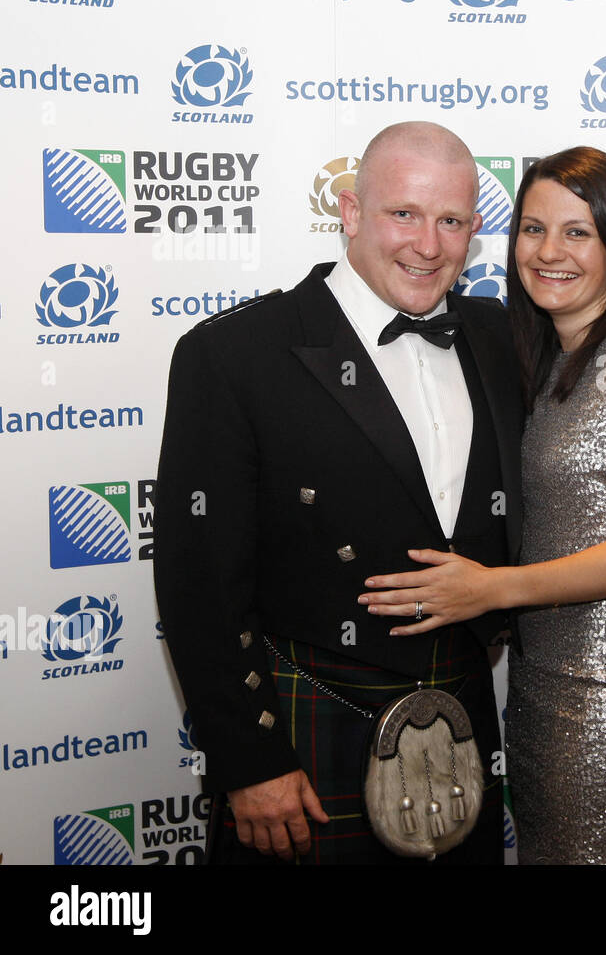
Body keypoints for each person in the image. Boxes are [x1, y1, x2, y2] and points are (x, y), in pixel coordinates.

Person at [154, 121, 522, 864]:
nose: (428, 244)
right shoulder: (232, 355)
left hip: (464, 718)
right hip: (306, 724)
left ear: (475, 230)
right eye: (403, 215)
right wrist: (250, 761)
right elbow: (199, 580)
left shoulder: (503, 335)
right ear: (351, 213)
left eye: (451, 221)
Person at [359, 147, 606, 864]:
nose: (550, 252)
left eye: (578, 232)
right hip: (539, 688)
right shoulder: (539, 359)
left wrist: (490, 590)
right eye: (533, 229)